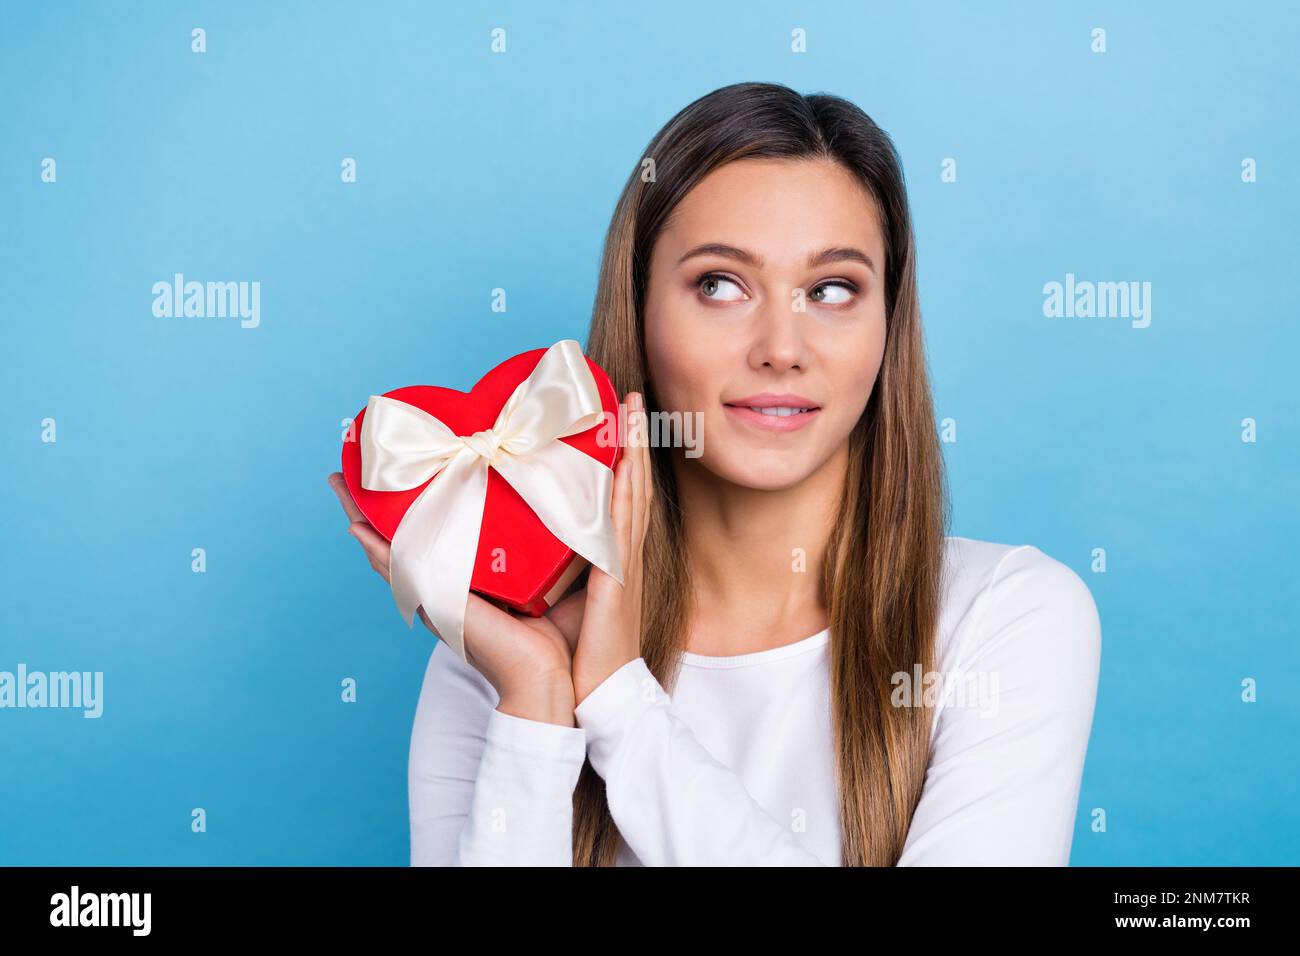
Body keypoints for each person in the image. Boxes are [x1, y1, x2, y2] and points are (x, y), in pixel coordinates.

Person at [328, 81, 1101, 866]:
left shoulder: (1005, 619)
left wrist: (619, 701)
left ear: (886, 328)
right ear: (640, 313)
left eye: (832, 289)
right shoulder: (499, 660)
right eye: (719, 285)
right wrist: (536, 700)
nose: (780, 346)